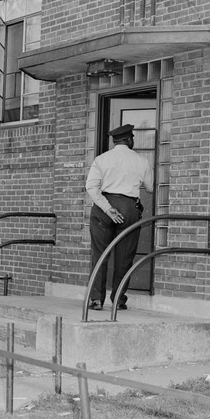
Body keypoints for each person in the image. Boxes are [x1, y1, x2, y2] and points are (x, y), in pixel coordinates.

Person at [85, 123, 154, 311]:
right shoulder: (142, 160)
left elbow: (91, 187)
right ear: (129, 139)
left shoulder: (101, 159)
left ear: (115, 141)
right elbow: (150, 187)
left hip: (103, 207)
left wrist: (108, 208)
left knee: (99, 253)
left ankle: (96, 299)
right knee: (125, 257)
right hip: (129, 207)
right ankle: (118, 299)